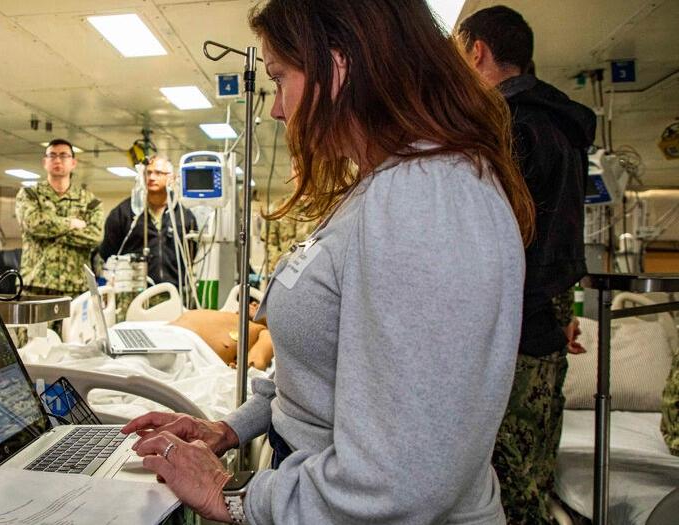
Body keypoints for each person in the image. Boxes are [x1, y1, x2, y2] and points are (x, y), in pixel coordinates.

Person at [121, 1, 536, 523]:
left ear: (337, 66)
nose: (276, 108)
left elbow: (399, 480)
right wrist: (229, 430)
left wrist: (233, 493)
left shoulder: (425, 197)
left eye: (279, 78)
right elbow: (319, 377)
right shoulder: (384, 187)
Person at [458, 7, 596, 524]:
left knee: (503, 486)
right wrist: (562, 310)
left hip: (511, 331)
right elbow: (563, 236)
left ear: (477, 52)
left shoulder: (505, 128)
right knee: (534, 472)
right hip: (544, 327)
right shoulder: (564, 126)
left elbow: (492, 244)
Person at [15, 139, 104, 297]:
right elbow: (33, 224)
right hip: (35, 285)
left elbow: (95, 236)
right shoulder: (30, 195)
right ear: (45, 162)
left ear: (73, 162)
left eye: (63, 155)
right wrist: (71, 223)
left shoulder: (90, 202)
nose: (57, 160)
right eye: (52, 155)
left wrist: (49, 231)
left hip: (75, 287)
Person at [99, 156, 197, 291]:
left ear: (171, 177)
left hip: (174, 291)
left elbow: (192, 254)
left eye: (158, 173)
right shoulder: (123, 213)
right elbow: (108, 252)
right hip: (134, 292)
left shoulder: (183, 216)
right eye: (148, 172)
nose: (151, 177)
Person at [170, 300, 272, 370]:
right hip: (166, 334)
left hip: (184, 355)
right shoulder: (222, 315)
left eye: (266, 305)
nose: (254, 303)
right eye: (258, 302)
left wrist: (236, 371)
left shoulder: (263, 332)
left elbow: (255, 365)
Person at [262, 194, 315, 277]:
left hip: (309, 271)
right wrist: (278, 263)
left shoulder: (320, 209)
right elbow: (269, 240)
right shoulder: (279, 207)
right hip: (281, 269)